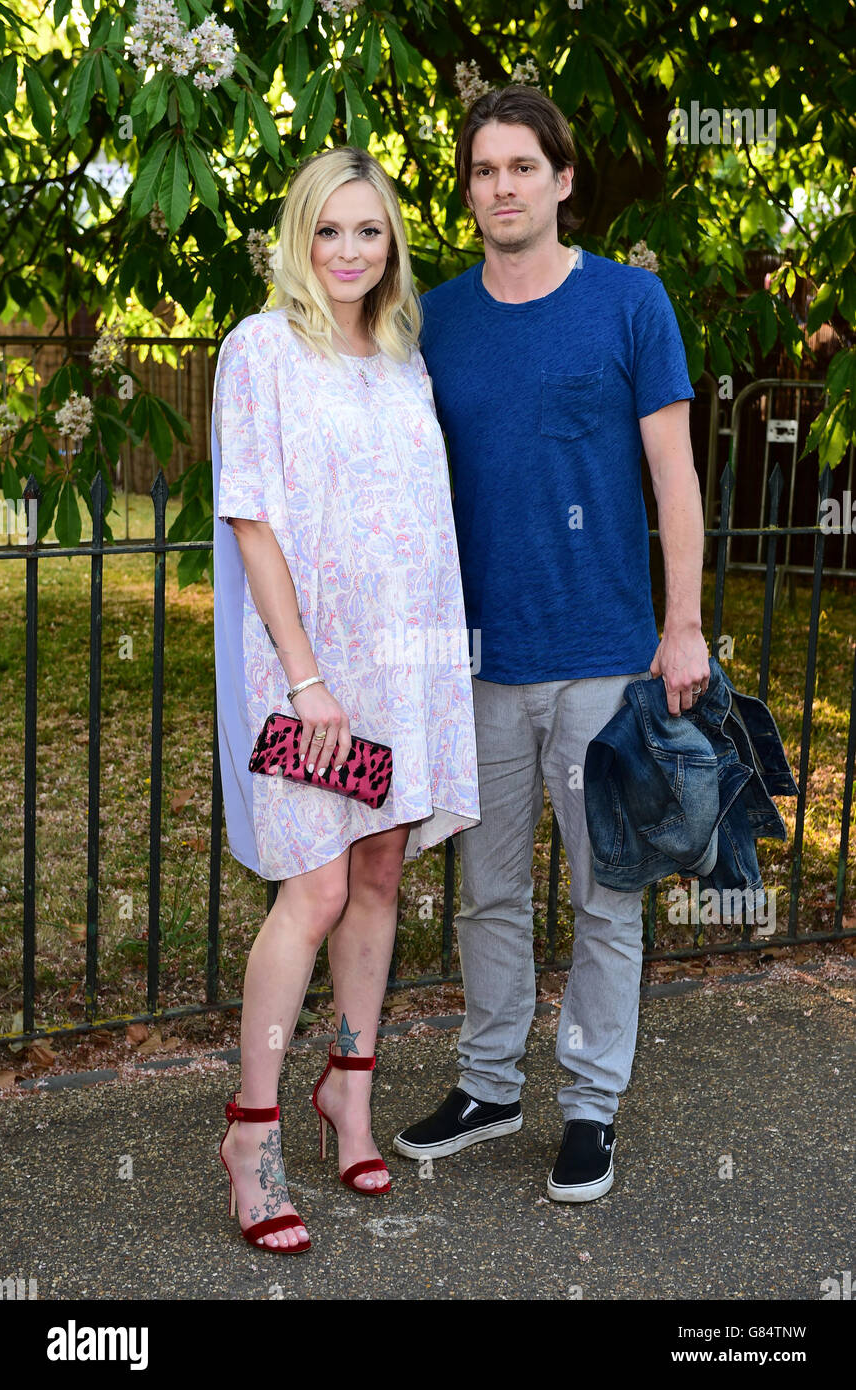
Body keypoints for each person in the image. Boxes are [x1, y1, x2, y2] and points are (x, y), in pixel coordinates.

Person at [393, 85, 710, 1202]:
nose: (501, 188)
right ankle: (488, 1083)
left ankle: (588, 1105)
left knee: (602, 894)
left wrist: (682, 626)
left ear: (563, 180)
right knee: (482, 895)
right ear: (469, 189)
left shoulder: (630, 305)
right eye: (483, 172)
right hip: (476, 662)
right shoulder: (433, 320)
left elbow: (674, 478)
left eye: (522, 167)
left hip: (603, 656)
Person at [212, 147, 480, 1251]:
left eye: (369, 233)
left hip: (401, 672)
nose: (349, 252)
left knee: (379, 873)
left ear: (392, 247)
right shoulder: (260, 349)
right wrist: (308, 678)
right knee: (312, 893)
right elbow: (252, 520)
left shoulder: (405, 357)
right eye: (330, 230)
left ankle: (350, 1093)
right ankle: (252, 1130)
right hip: (309, 679)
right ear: (299, 237)